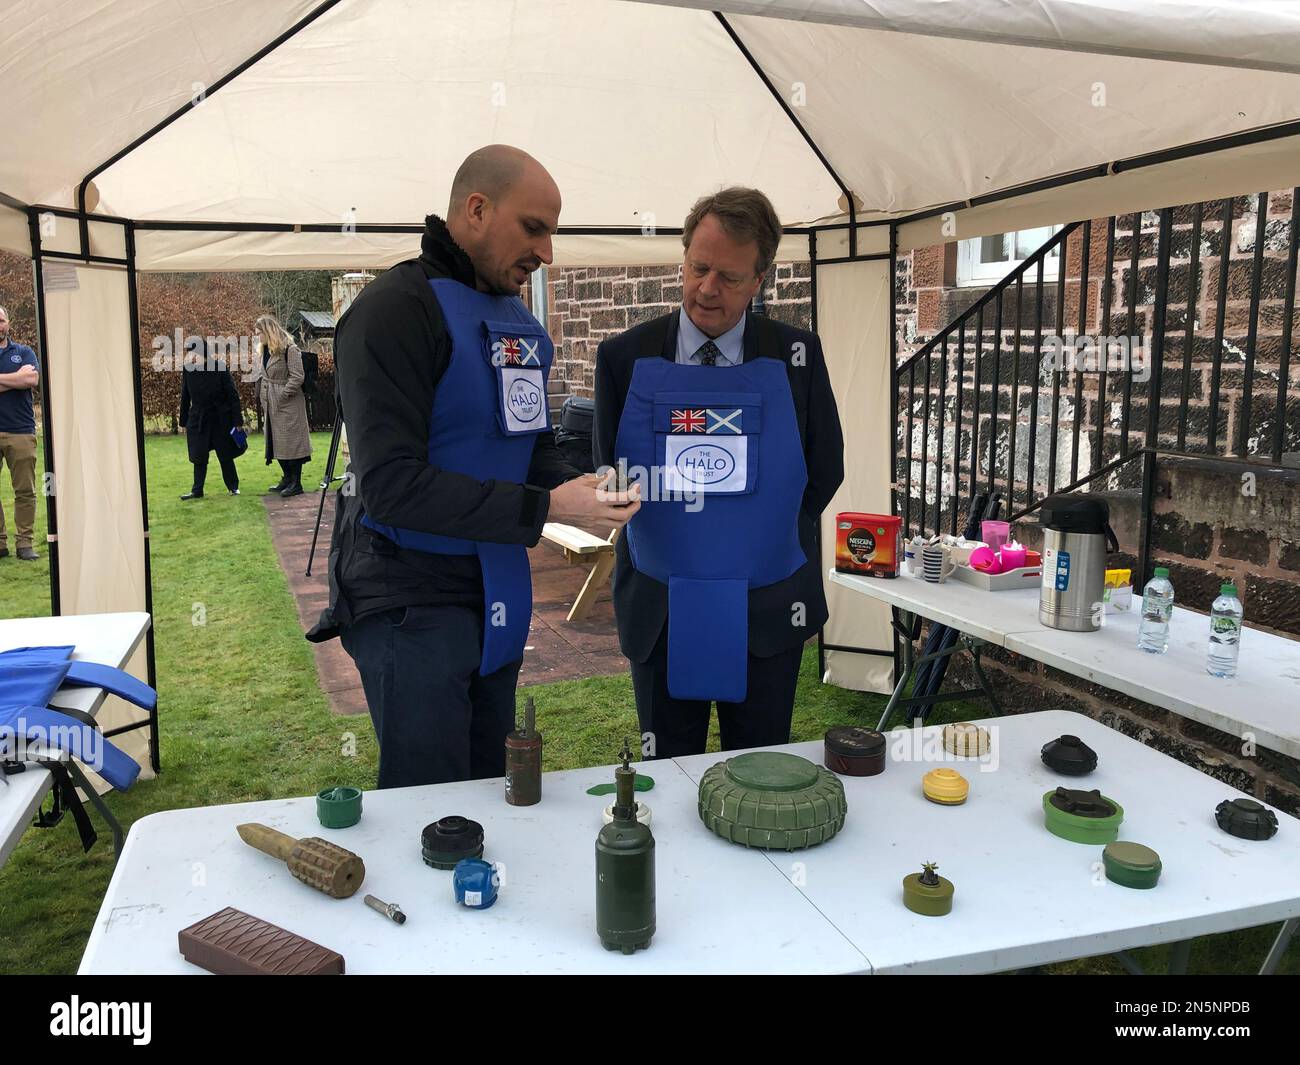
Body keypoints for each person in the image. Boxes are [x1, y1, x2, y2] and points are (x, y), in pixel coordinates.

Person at [307, 144, 639, 789]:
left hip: (497, 587)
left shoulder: (516, 320)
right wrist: (546, 509)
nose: (547, 254)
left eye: (552, 233)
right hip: (407, 595)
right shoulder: (393, 312)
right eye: (534, 228)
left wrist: (585, 486)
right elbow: (391, 488)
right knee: (428, 797)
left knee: (492, 782)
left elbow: (529, 447)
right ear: (477, 209)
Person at [593, 187, 844, 759]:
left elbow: (824, 468)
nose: (707, 289)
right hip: (660, 609)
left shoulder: (796, 356)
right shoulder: (623, 357)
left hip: (769, 607)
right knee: (669, 772)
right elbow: (610, 472)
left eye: (729, 277)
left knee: (759, 771)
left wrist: (757, 535)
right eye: (698, 267)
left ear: (759, 280)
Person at [253, 315, 312, 497]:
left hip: (288, 404)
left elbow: (297, 376)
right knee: (276, 442)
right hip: (271, 402)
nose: (258, 337)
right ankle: (287, 478)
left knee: (291, 442)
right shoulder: (265, 350)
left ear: (268, 331)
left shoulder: (289, 349)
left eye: (260, 333)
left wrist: (283, 394)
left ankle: (296, 482)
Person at [179, 340, 244, 500]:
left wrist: (237, 421)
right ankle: (197, 490)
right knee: (198, 455)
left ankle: (233, 487)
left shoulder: (219, 367)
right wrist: (183, 421)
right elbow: (185, 396)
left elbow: (232, 395)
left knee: (225, 454)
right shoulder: (188, 369)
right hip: (198, 419)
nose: (189, 356)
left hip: (220, 418)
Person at [0, 306, 40, 561]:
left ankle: (24, 544)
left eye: (1, 320)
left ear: (8, 323)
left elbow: (31, 381)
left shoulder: (24, 352)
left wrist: (18, 378)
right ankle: (0, 544)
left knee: (25, 491)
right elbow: (21, 380)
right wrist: (15, 377)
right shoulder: (20, 363)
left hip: (21, 431)